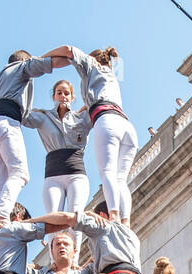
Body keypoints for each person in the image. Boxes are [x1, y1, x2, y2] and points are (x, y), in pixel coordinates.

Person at [49, 45, 137, 223]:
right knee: (121, 179)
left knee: (108, 173)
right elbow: (96, 103)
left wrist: (39, 59)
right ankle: (126, 221)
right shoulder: (110, 76)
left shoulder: (92, 64)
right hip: (126, 126)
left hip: (107, 122)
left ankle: (113, 215)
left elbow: (68, 49)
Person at [0, 48, 58, 235]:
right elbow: (44, 64)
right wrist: (69, 57)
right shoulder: (21, 67)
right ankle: (1, 215)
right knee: (20, 173)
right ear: (24, 60)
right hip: (6, 124)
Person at [24, 79, 90, 223]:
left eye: (67, 93)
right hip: (53, 175)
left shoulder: (82, 118)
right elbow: (23, 116)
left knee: (76, 216)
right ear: (54, 96)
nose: (63, 96)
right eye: (59, 93)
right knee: (52, 217)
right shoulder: (43, 116)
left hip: (76, 173)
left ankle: (76, 247)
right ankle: (52, 245)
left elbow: (98, 102)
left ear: (72, 98)